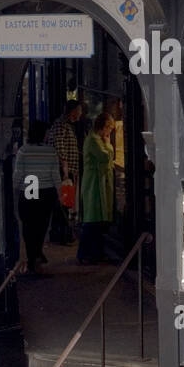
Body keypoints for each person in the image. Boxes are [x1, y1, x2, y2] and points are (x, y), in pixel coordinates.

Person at [13, 121, 61, 271]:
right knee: (42, 225)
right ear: (42, 134)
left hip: (30, 188)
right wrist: (60, 192)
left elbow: (18, 174)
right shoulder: (51, 151)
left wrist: (13, 190)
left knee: (28, 225)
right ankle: (37, 252)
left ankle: (32, 255)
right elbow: (55, 175)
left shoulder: (23, 151)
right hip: (47, 191)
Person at [77, 112, 115, 264]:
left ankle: (95, 253)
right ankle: (86, 254)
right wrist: (108, 145)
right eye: (109, 129)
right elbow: (105, 156)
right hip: (94, 184)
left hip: (98, 183)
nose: (109, 132)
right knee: (92, 221)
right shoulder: (93, 140)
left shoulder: (95, 139)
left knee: (97, 223)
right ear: (104, 127)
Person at [47, 101, 82, 244]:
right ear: (72, 111)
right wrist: (66, 173)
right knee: (63, 204)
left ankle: (60, 234)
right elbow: (60, 150)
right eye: (79, 110)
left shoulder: (65, 125)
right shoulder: (61, 125)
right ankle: (62, 235)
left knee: (63, 204)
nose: (81, 114)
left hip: (66, 171)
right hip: (63, 172)